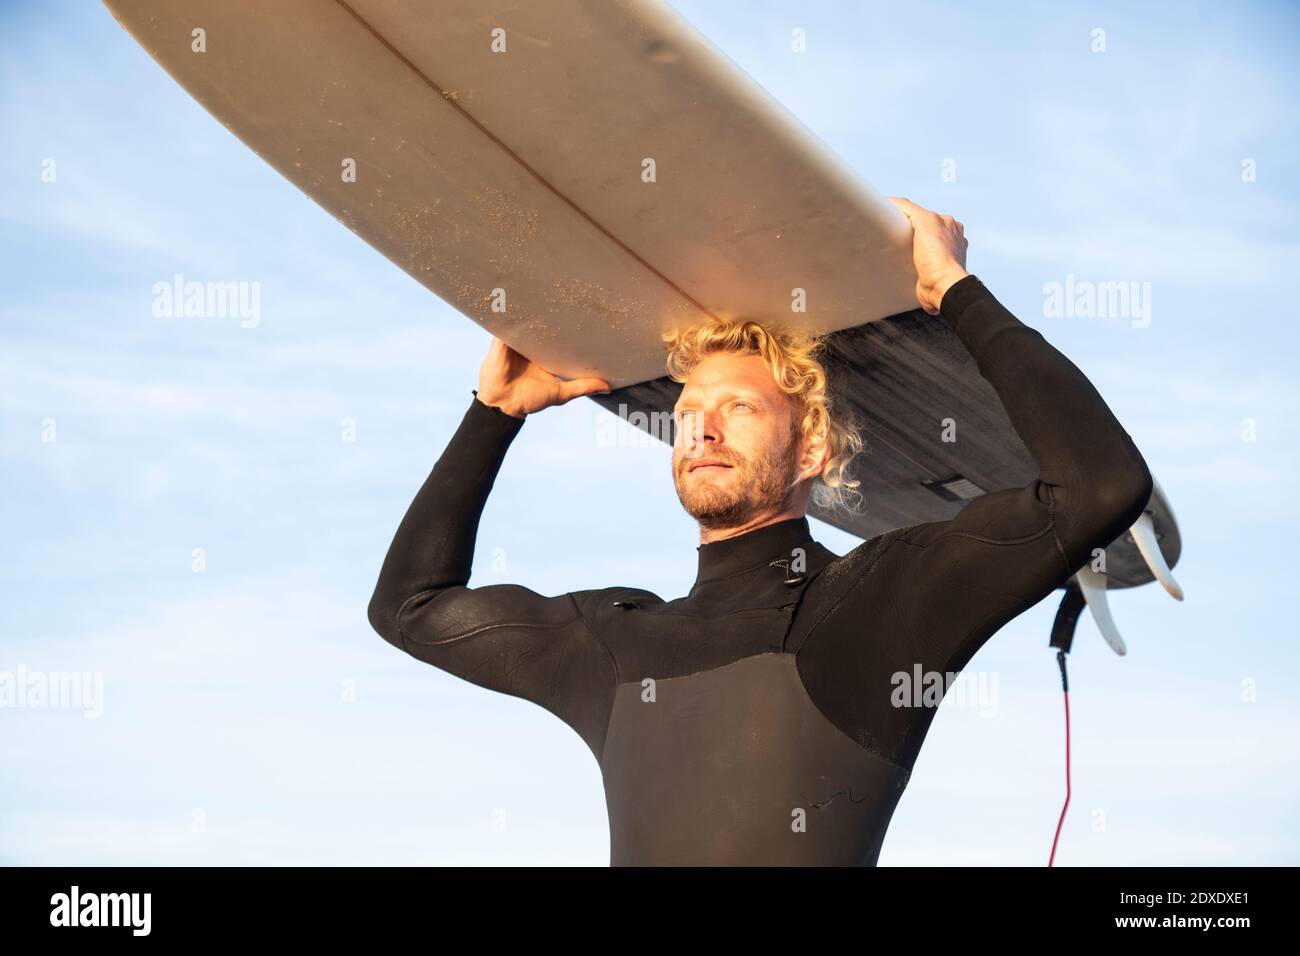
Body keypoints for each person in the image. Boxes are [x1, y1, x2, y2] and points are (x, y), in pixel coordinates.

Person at [366, 197, 1153, 865]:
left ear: (811, 447)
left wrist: (956, 292)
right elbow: (408, 607)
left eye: (737, 410)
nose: (701, 433)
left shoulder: (880, 604)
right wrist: (493, 416)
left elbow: (1101, 487)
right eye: (687, 417)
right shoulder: (610, 640)